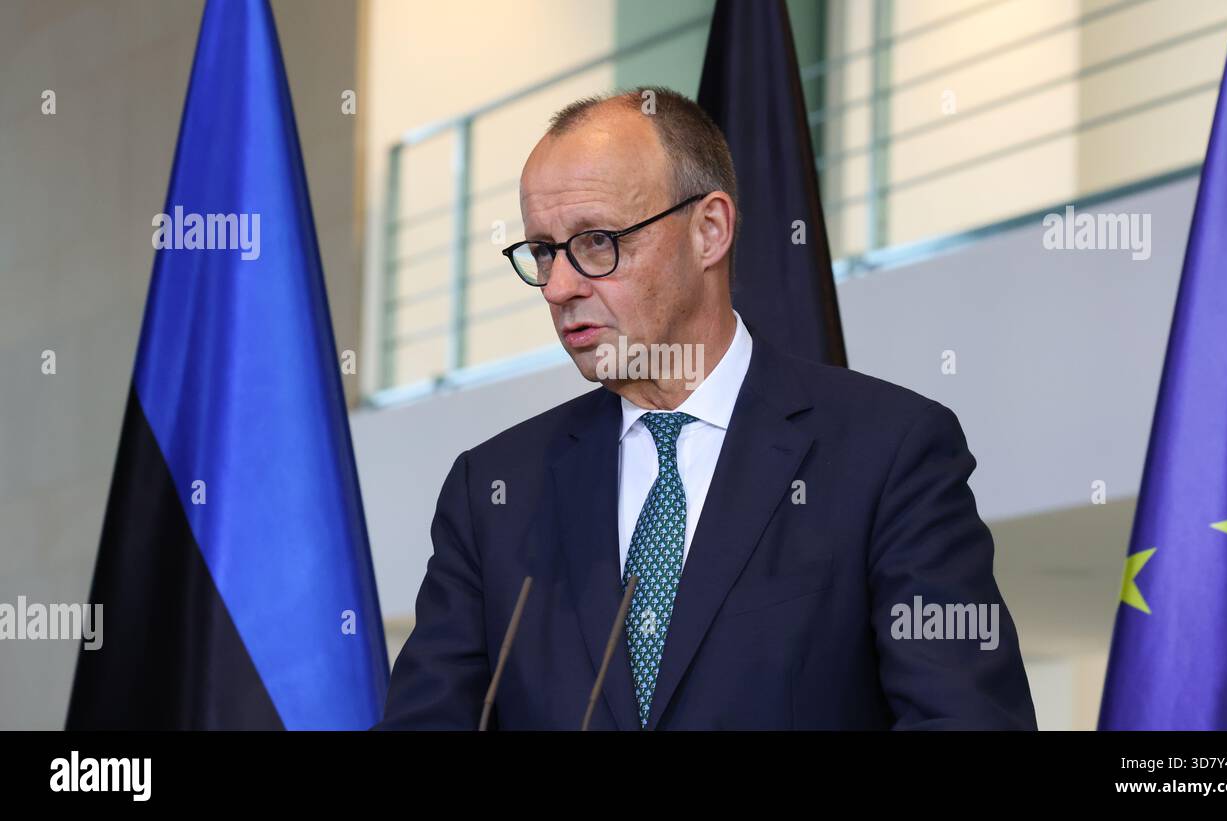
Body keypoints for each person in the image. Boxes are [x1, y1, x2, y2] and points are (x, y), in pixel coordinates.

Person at [376, 88, 1036, 730]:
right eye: (543, 251)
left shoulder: (886, 454)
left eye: (597, 241)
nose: (560, 286)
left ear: (709, 230)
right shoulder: (493, 492)